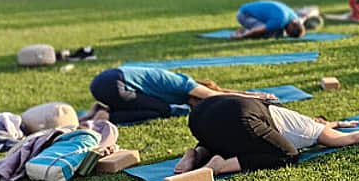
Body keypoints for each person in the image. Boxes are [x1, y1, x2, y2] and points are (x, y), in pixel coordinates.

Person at [174, 95, 359, 175]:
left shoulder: (297, 119)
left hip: (201, 116)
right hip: (242, 117)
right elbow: (347, 139)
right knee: (287, 155)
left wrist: (339, 122)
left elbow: (327, 124)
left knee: (227, 138)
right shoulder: (312, 129)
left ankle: (196, 153)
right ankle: (221, 165)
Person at [87, 65, 276, 125]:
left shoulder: (181, 88)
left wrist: (247, 93)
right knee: (162, 110)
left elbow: (218, 92)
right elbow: (214, 95)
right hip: (114, 84)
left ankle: (103, 107)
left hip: (104, 82)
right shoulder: (186, 84)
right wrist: (253, 97)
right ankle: (108, 115)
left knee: (155, 106)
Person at [232, 0, 305, 39]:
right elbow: (257, 30)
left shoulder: (294, 17)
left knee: (278, 32)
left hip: (249, 9)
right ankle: (243, 31)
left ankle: (245, 30)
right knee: (267, 34)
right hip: (244, 15)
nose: (287, 32)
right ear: (292, 26)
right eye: (289, 32)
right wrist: (242, 36)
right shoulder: (280, 21)